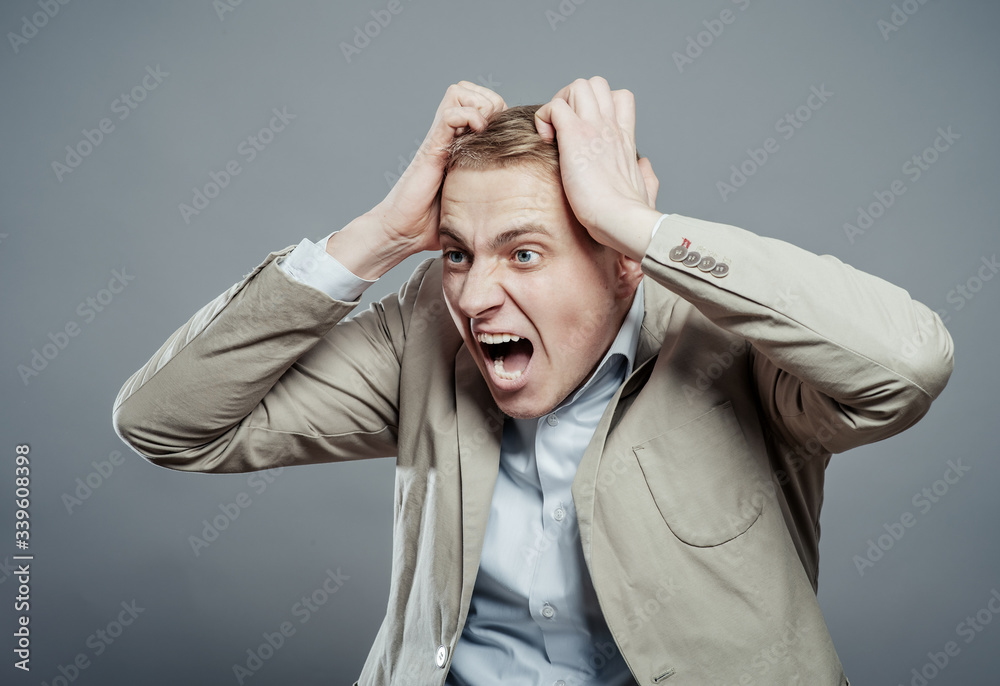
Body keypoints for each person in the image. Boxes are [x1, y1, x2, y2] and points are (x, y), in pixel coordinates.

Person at [113, 76, 954, 685]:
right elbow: (166, 423)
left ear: (623, 265)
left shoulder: (729, 346)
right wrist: (375, 235)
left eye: (523, 252)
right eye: (457, 253)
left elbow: (907, 365)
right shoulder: (426, 336)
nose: (477, 296)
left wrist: (638, 224)